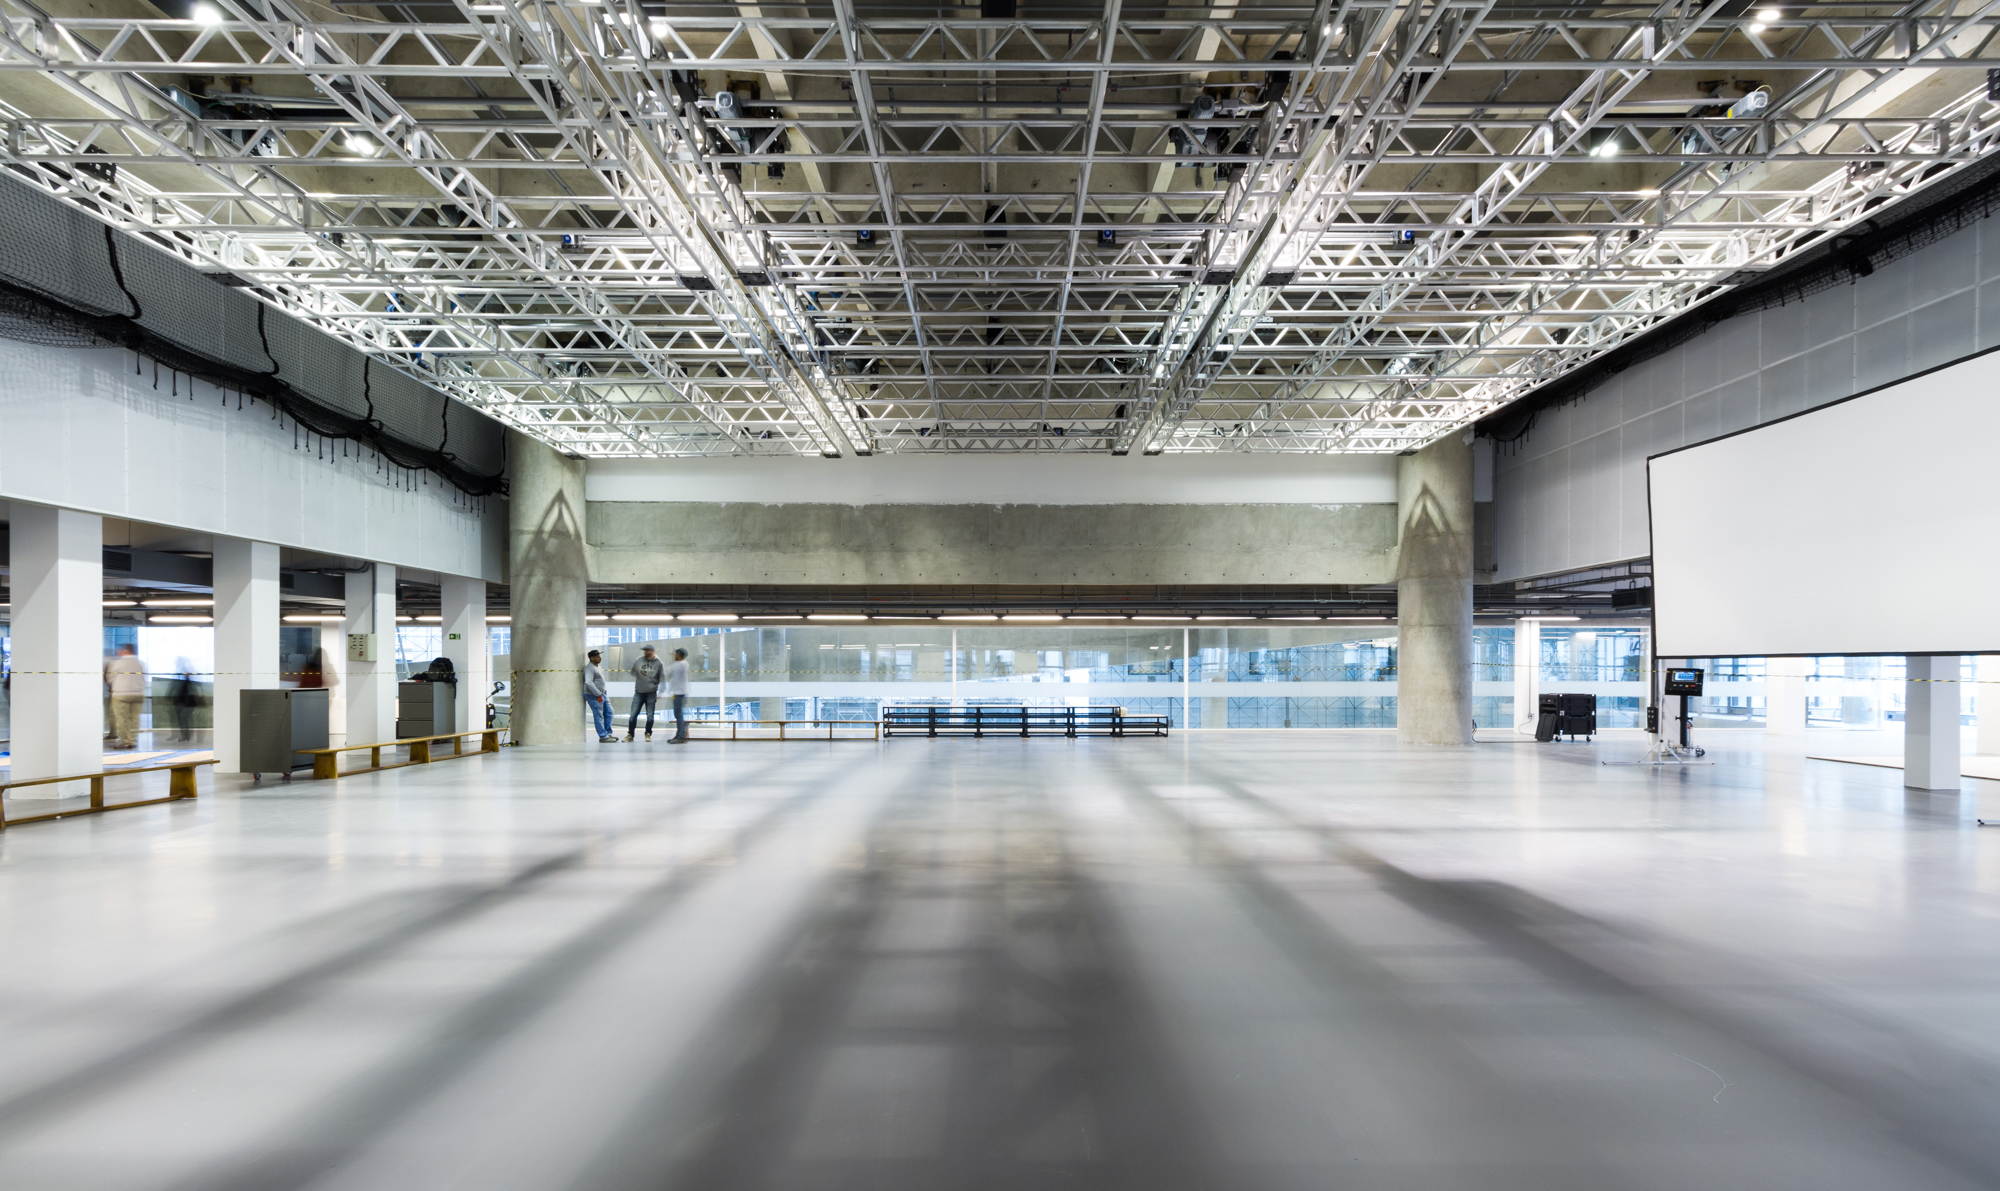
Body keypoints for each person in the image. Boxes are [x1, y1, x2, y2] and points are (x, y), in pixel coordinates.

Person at [104, 644, 148, 750]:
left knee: (122, 719)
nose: (118, 651)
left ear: (125, 651)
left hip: (121, 694)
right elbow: (144, 679)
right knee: (134, 719)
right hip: (138, 694)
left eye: (120, 650)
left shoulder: (116, 663)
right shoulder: (141, 663)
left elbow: (110, 679)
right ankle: (133, 740)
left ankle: (126, 742)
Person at [628, 645, 664, 742]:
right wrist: (637, 672)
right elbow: (632, 673)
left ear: (652, 651)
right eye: (644, 650)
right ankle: (630, 734)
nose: (645, 652)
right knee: (633, 715)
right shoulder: (639, 660)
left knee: (650, 715)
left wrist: (661, 691)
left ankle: (648, 734)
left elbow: (662, 678)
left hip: (651, 693)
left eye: (647, 650)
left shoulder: (658, 663)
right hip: (638, 692)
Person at [583, 649, 616, 743]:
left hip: (602, 694)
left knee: (609, 712)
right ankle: (603, 736)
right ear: (591, 658)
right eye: (597, 656)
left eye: (599, 656)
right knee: (598, 716)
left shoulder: (597, 666)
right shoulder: (589, 668)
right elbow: (588, 682)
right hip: (594, 695)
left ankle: (608, 734)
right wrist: (598, 694)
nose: (600, 658)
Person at [168, 657, 202, 744]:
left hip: (185, 701)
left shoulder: (185, 677)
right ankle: (185, 736)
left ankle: (187, 736)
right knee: (183, 719)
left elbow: (178, 687)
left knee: (185, 719)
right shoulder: (181, 675)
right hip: (183, 701)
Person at [665, 647, 690, 743]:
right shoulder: (680, 663)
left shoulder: (682, 664)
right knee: (678, 714)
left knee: (678, 715)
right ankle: (679, 734)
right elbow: (669, 671)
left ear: (679, 654)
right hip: (678, 692)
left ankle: (681, 736)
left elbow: (673, 678)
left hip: (679, 693)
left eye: (675, 653)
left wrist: (668, 691)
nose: (674, 655)